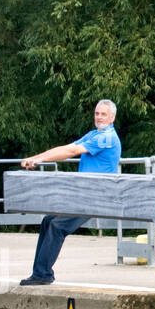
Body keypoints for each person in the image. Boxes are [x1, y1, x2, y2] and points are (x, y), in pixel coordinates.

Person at [18, 100, 122, 285]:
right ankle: (41, 273)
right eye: (97, 113)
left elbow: (72, 151)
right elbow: (66, 147)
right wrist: (36, 159)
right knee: (49, 221)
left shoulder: (106, 137)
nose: (98, 117)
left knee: (58, 226)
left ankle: (42, 274)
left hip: (96, 195)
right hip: (83, 193)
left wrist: (37, 159)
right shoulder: (94, 134)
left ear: (112, 118)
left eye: (103, 114)